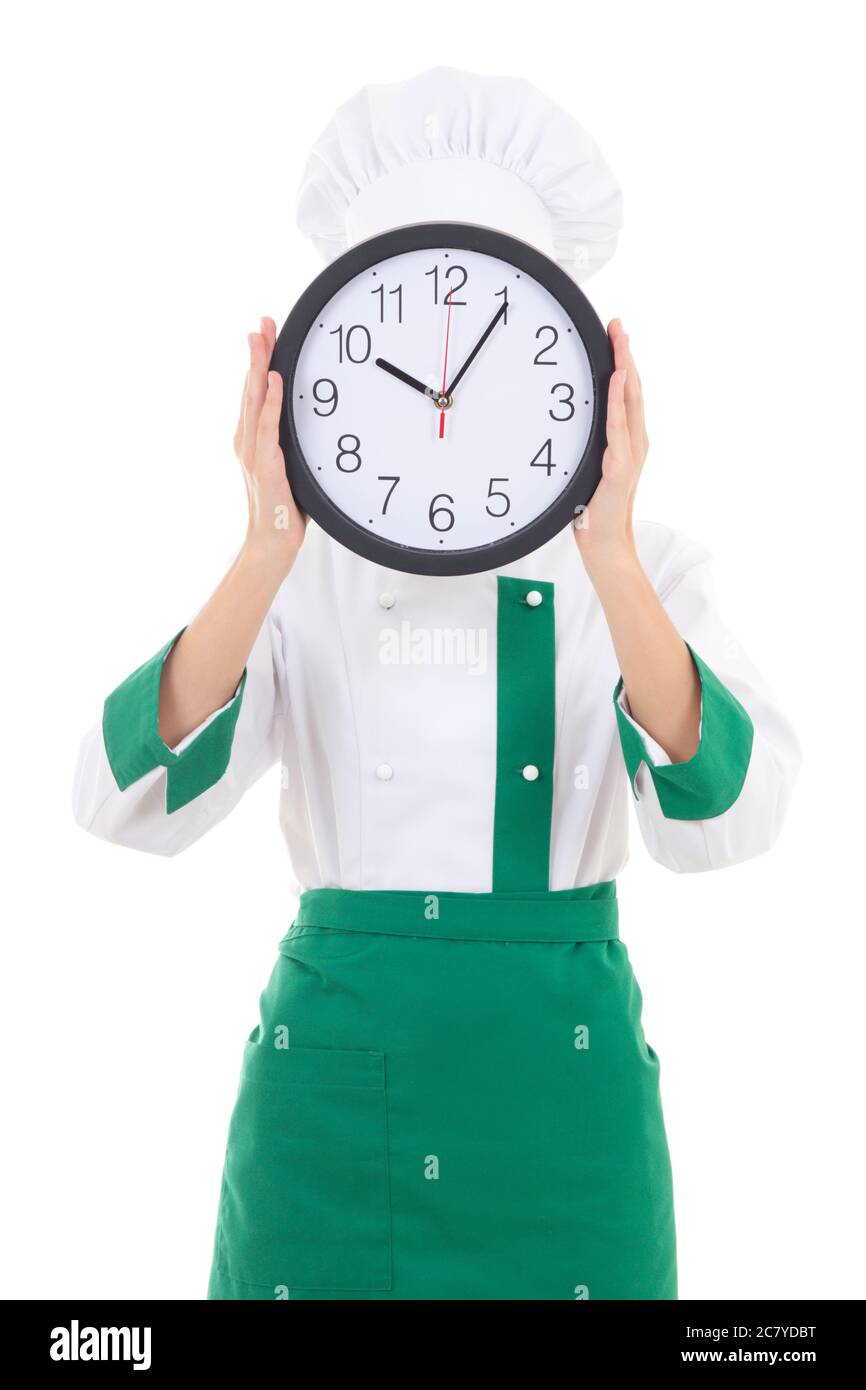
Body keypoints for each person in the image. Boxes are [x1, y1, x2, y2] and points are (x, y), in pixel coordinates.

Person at [72, 67, 801, 1301]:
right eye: (396, 365)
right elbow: (117, 795)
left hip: (563, 1116)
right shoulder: (303, 577)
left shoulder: (646, 567)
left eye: (498, 358)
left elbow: (733, 817)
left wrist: (608, 548)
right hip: (330, 1098)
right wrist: (263, 541)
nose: (443, 404)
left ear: (574, 369)